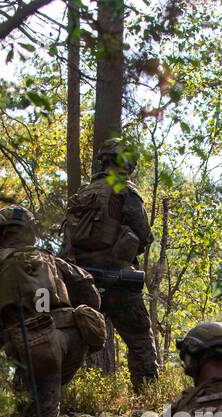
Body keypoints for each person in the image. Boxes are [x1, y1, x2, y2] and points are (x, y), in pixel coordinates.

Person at [0, 205, 108, 417]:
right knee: (42, 401)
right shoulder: (52, 260)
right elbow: (91, 296)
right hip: (73, 340)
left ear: (0, 232)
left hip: (34, 344)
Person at [61, 138, 157, 390]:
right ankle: (146, 397)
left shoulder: (81, 194)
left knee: (72, 338)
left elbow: (66, 242)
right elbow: (144, 233)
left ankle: (58, 393)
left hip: (83, 280)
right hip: (119, 277)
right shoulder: (125, 190)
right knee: (139, 340)